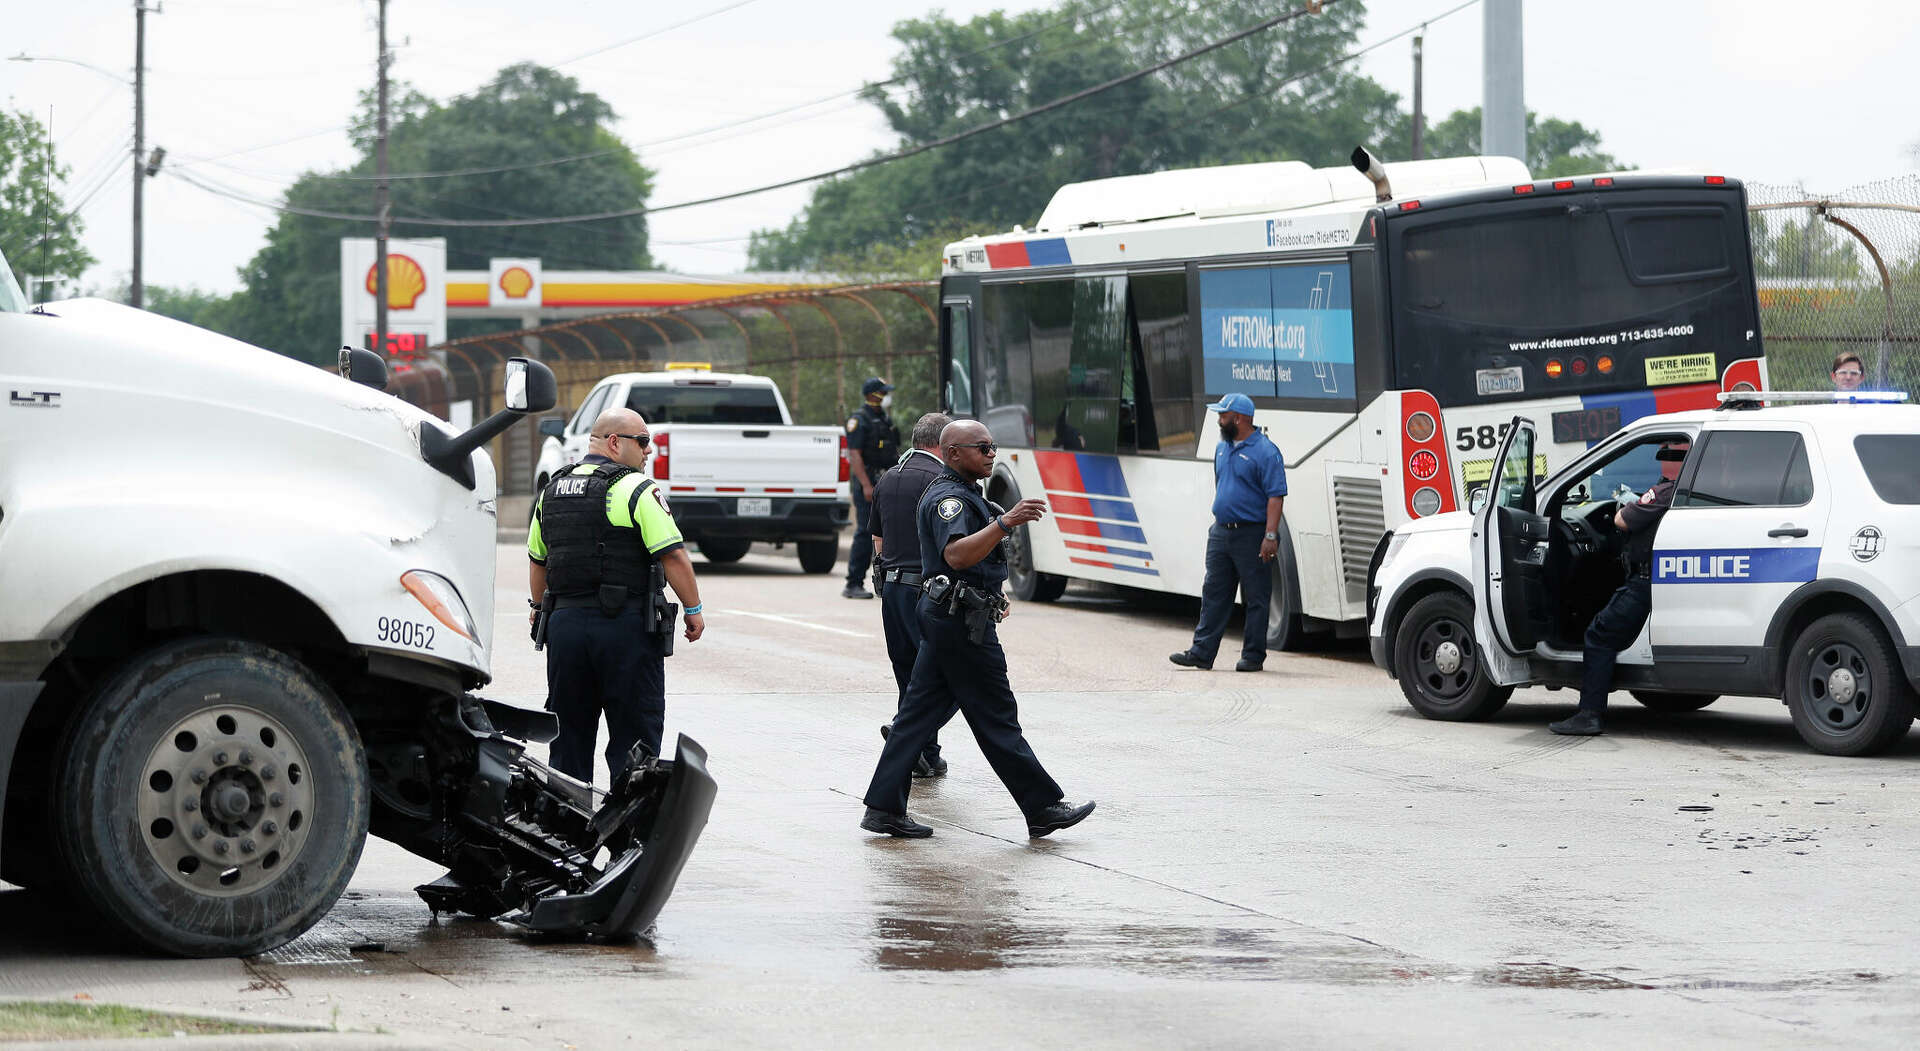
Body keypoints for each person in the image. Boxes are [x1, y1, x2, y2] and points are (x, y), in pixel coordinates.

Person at [860, 420, 1096, 839]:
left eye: (993, 446)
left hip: (954, 618)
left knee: (915, 719)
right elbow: (956, 555)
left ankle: (882, 808)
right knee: (996, 716)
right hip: (959, 625)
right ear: (953, 453)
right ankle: (1041, 807)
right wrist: (1006, 523)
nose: (992, 454)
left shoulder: (967, 493)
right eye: (982, 447)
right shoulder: (949, 499)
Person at [528, 407, 707, 782]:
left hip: (565, 629)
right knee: (634, 741)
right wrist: (694, 609)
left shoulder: (552, 491)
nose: (648, 450)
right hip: (624, 629)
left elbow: (538, 560)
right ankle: (628, 821)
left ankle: (567, 818)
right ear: (614, 442)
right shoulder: (637, 489)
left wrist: (538, 607)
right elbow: (673, 555)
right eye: (643, 441)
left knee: (568, 738)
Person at [1548, 437, 1691, 737]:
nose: (1662, 456)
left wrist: (1630, 504)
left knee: (1599, 634)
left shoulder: (1665, 491)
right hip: (1660, 581)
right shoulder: (1686, 490)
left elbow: (1622, 521)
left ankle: (1589, 714)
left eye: (1667, 452)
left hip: (1644, 582)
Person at [1169, 393, 1288, 673]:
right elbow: (1221, 484)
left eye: (1223, 415)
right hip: (1221, 532)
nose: (1219, 420)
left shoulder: (1266, 451)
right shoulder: (1222, 448)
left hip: (1252, 533)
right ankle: (1201, 653)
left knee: (1256, 596)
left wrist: (1270, 535)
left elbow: (1275, 496)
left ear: (1239, 418)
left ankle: (1253, 657)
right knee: (1214, 592)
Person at [870, 411, 953, 779]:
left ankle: (926, 755)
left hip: (892, 588)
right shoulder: (943, 480)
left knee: (910, 675)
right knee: (950, 675)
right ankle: (907, 733)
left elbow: (878, 538)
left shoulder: (889, 477)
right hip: (928, 590)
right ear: (943, 443)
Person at [843, 377, 901, 599]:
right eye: (882, 392)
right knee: (866, 532)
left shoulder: (884, 418)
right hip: (868, 483)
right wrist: (866, 485)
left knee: (889, 533)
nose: (886, 397)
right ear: (872, 395)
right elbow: (854, 455)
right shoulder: (859, 420)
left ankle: (887, 583)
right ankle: (853, 583)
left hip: (886, 481)